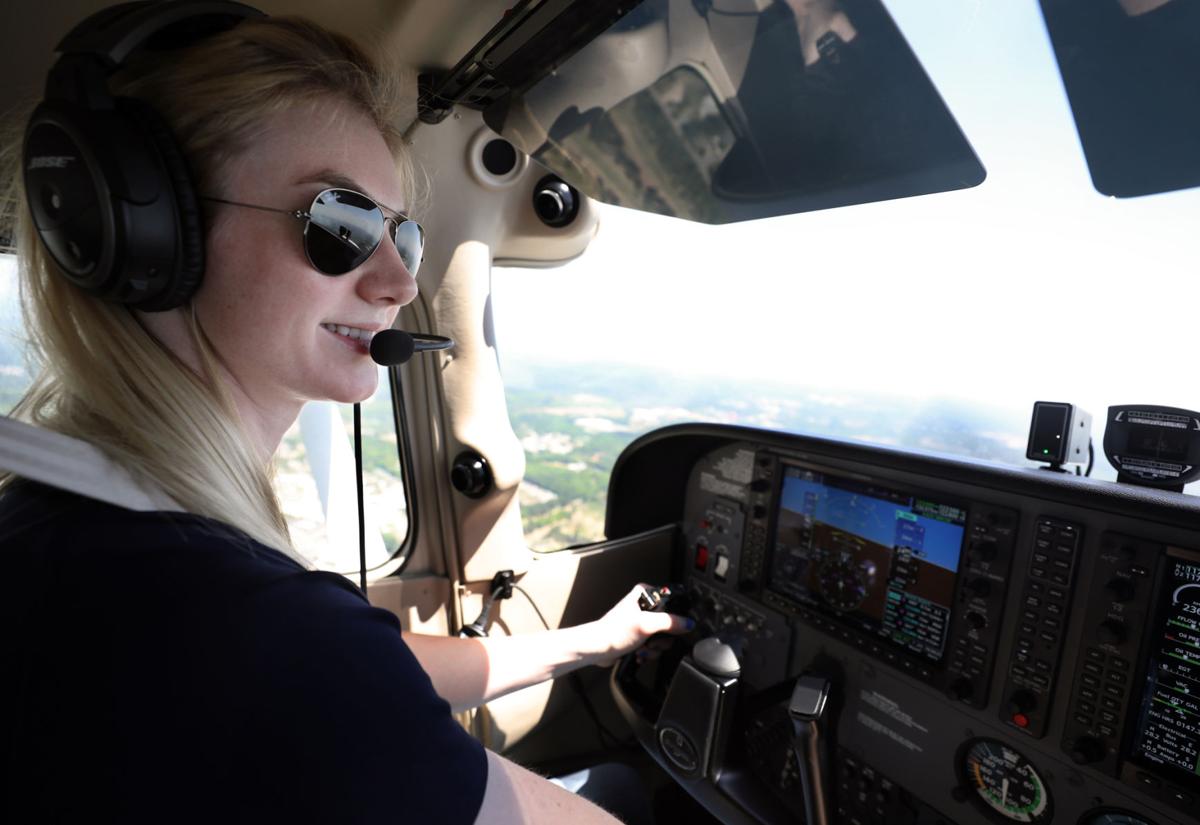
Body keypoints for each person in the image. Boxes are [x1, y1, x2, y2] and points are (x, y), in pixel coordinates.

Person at [0, 4, 688, 822]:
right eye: (342, 222)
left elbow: (377, 663)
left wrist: (582, 644)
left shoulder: (61, 529)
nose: (398, 282)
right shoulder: (249, 628)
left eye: (405, 235)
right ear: (150, 231)